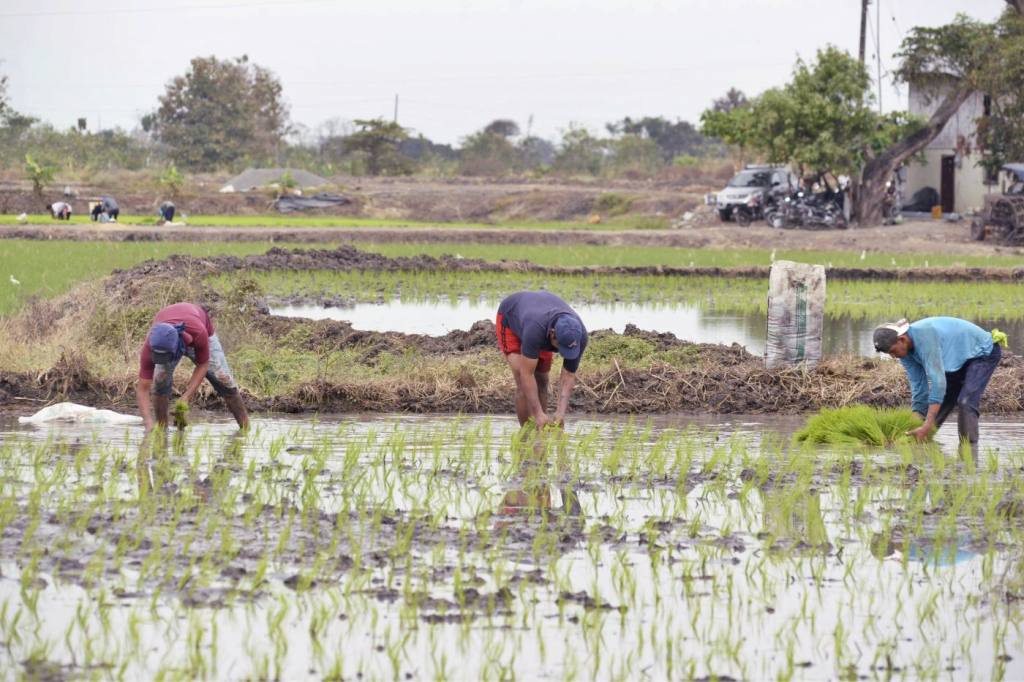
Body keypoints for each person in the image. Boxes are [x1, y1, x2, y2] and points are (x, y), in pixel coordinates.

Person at [873, 317, 1003, 457]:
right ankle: (923, 439)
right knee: (943, 400)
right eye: (889, 354)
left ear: (902, 340)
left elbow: (938, 382)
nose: (893, 357)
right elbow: (919, 389)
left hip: (982, 353)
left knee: (965, 401)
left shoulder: (924, 337)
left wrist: (928, 423)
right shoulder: (905, 354)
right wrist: (915, 423)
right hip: (957, 360)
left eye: (893, 351)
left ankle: (969, 451)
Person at [136, 302, 249, 432]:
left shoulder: (198, 332)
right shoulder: (152, 344)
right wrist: (148, 423)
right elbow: (143, 388)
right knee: (160, 381)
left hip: (198, 329)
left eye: (167, 356)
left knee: (224, 380)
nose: (164, 361)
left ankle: (245, 428)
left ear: (176, 346)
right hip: (167, 338)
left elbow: (203, 364)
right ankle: (162, 431)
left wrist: (186, 398)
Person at [496, 290, 587, 428]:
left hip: (537, 318)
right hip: (510, 318)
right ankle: (526, 435)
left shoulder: (580, 336)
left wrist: (560, 413)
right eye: (561, 347)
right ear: (552, 334)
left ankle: (540, 432)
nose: (563, 353)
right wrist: (538, 413)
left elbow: (569, 374)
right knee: (522, 381)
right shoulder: (536, 330)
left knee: (542, 381)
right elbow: (527, 374)